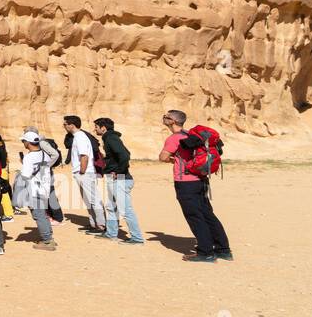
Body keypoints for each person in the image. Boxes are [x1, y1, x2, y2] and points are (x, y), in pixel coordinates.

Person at [160, 110, 232, 262]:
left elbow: (163, 157)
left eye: (166, 116)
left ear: (172, 121)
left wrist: (173, 160)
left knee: (194, 216)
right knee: (207, 214)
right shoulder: (191, 135)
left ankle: (205, 252)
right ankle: (223, 249)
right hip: (201, 180)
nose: (164, 118)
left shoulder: (174, 138)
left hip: (185, 182)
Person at [94, 117, 144, 244]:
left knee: (125, 210)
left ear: (103, 128)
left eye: (96, 127)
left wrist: (119, 171)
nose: (95, 129)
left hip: (121, 178)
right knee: (111, 207)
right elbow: (121, 155)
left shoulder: (111, 138)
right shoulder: (109, 138)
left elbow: (125, 155)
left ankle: (137, 238)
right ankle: (111, 233)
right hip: (116, 178)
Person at [12, 130, 59, 250]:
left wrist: (21, 169)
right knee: (43, 214)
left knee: (39, 215)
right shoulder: (45, 154)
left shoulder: (29, 157)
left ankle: (47, 241)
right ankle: (49, 238)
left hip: (34, 190)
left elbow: (26, 175)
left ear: (28, 142)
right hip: (44, 188)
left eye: (24, 141)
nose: (23, 143)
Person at [64, 115, 106, 232]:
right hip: (83, 172)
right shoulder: (77, 136)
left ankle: (102, 225)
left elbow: (84, 156)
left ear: (71, 125)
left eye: (65, 124)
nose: (64, 126)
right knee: (88, 200)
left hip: (85, 173)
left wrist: (82, 172)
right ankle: (94, 224)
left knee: (93, 199)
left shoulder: (80, 137)